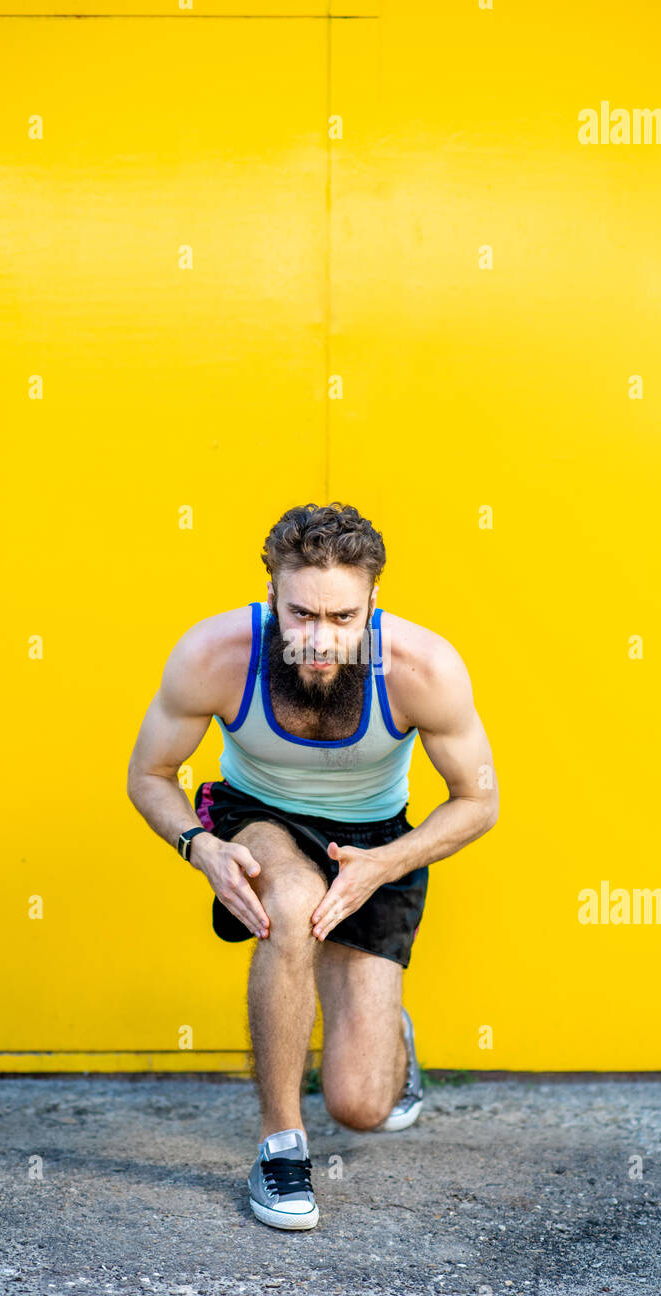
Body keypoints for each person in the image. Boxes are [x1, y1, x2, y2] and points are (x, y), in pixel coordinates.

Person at [127, 502, 498, 1230]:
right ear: (271, 593)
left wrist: (384, 864)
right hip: (256, 815)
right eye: (300, 614)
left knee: (361, 1106)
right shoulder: (215, 654)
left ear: (372, 603)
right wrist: (198, 846)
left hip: (374, 840)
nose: (317, 639)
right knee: (289, 905)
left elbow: (477, 802)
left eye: (340, 618)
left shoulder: (423, 667)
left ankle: (391, 1038)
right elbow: (150, 773)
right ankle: (279, 1146)